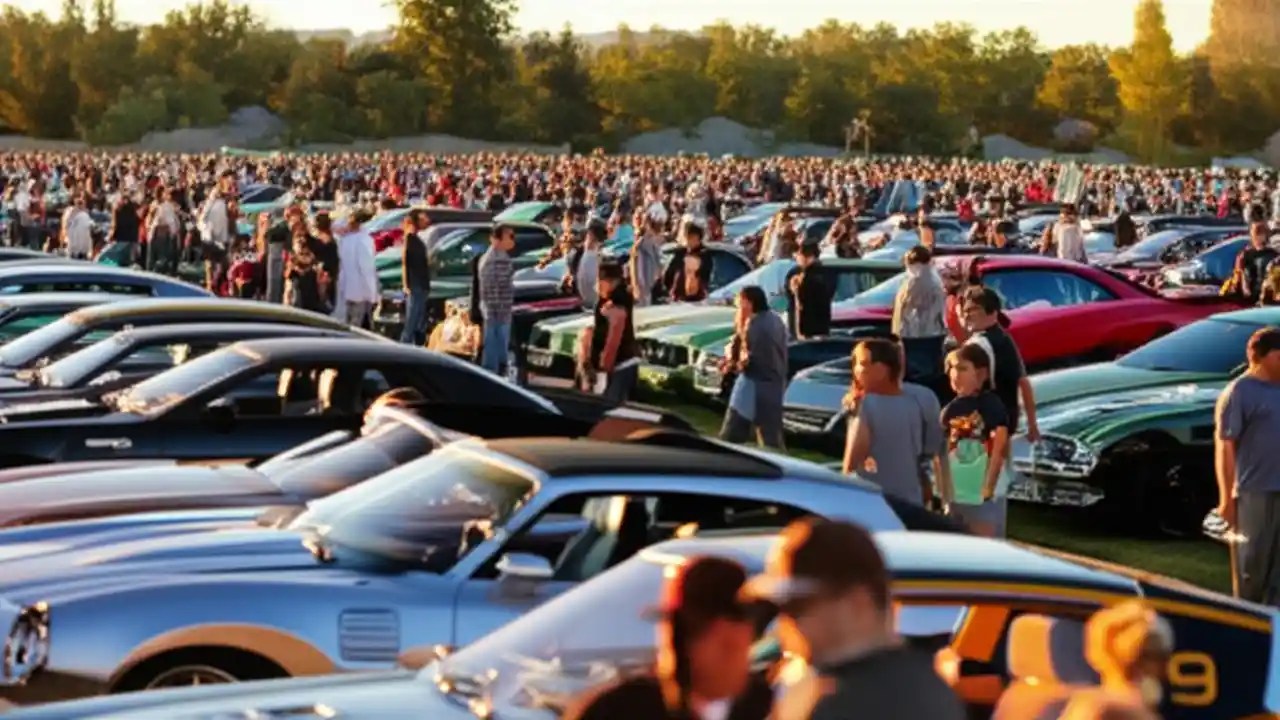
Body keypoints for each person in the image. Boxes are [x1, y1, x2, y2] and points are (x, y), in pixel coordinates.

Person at [740, 518, 965, 720]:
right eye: (784, 609)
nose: (787, 623)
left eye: (800, 607)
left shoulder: (848, 702)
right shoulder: (920, 686)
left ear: (859, 604)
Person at [564, 556, 772, 720]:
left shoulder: (768, 708)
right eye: (676, 632)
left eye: (697, 633)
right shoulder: (616, 711)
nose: (680, 648)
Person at [842, 337, 950, 508]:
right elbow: (931, 451)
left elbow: (853, 459)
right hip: (910, 497)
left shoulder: (868, 404)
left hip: (874, 498)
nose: (857, 370)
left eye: (862, 364)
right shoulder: (916, 400)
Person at [1214, 327, 1280, 603]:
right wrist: (1227, 499)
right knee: (1251, 565)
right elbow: (1225, 447)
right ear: (1263, 356)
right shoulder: (1240, 391)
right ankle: (1246, 615)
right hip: (1254, 490)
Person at [941, 343, 1011, 537]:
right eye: (952, 368)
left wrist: (988, 487)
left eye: (963, 368)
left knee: (984, 540)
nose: (956, 374)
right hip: (957, 490)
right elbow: (943, 450)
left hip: (982, 490)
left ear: (981, 374)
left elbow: (999, 446)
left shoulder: (991, 405)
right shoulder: (950, 410)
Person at [962, 286, 1040, 447]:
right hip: (1007, 424)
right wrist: (1032, 425)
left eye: (973, 309)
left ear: (992, 312)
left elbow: (966, 390)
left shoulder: (977, 345)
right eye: (965, 310)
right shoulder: (1005, 340)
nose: (966, 315)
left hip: (984, 427)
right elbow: (1023, 382)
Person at [719, 285, 787, 449]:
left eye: (740, 302)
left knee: (733, 432)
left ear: (749, 302)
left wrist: (732, 367)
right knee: (770, 435)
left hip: (753, 384)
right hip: (774, 384)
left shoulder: (755, 325)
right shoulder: (775, 319)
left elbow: (751, 359)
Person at [583, 261, 639, 402]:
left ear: (612, 282)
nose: (597, 286)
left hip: (620, 365)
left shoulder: (618, 303)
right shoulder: (605, 301)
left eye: (600, 282)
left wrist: (603, 368)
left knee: (610, 404)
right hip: (612, 365)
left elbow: (613, 340)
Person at [892, 245, 948, 380]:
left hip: (916, 336)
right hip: (931, 334)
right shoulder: (934, 280)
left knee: (918, 375)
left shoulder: (916, 281)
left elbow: (907, 310)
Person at [478, 223, 516, 374]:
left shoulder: (496, 258)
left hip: (497, 312)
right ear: (497, 239)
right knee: (495, 351)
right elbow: (491, 290)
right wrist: (497, 312)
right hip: (498, 313)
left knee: (496, 349)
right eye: (510, 236)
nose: (513, 240)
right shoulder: (496, 260)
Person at [336, 208, 380, 328]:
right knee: (357, 324)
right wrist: (373, 294)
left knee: (347, 322)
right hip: (360, 290)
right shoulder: (364, 240)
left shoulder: (345, 240)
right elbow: (367, 269)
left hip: (346, 288)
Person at [787, 243, 832, 339]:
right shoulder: (821, 273)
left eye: (799, 255)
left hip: (811, 327)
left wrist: (797, 288)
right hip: (815, 326)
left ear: (809, 257)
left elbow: (801, 303)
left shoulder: (813, 275)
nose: (797, 258)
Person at [399, 209, 431, 344]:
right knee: (411, 322)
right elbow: (405, 263)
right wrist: (406, 284)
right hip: (415, 285)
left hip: (421, 284)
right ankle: (403, 347)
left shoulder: (417, 238)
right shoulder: (410, 238)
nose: (426, 221)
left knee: (418, 321)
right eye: (423, 219)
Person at [664, 221, 713, 303]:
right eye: (688, 238)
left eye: (693, 238)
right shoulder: (680, 254)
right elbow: (669, 274)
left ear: (699, 239)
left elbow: (706, 275)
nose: (690, 241)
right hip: (679, 298)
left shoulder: (704, 256)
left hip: (698, 298)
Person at [1237, 221, 1279, 305]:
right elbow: (1243, 272)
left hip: (1270, 290)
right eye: (1257, 234)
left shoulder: (1272, 253)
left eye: (1261, 234)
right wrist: (1245, 287)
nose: (1259, 237)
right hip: (1254, 292)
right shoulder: (1247, 254)